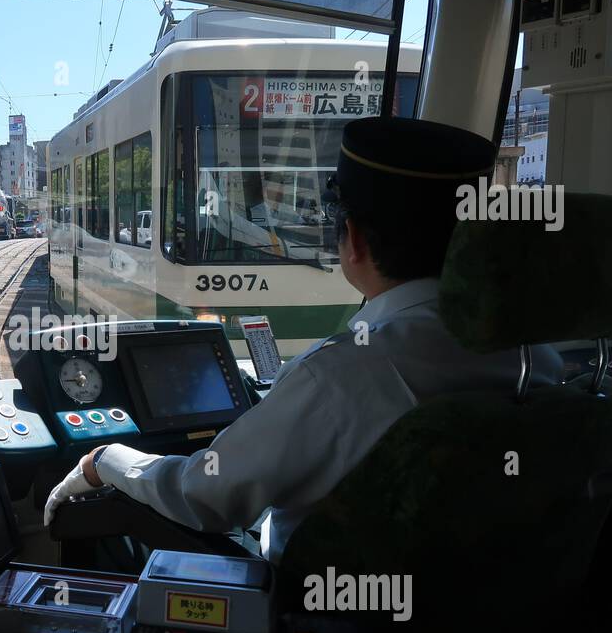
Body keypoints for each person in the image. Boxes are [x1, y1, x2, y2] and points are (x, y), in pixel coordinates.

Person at [43, 117, 564, 556]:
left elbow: (205, 495)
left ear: (353, 237)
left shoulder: (345, 373)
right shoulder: (538, 358)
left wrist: (104, 460)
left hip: (318, 626)